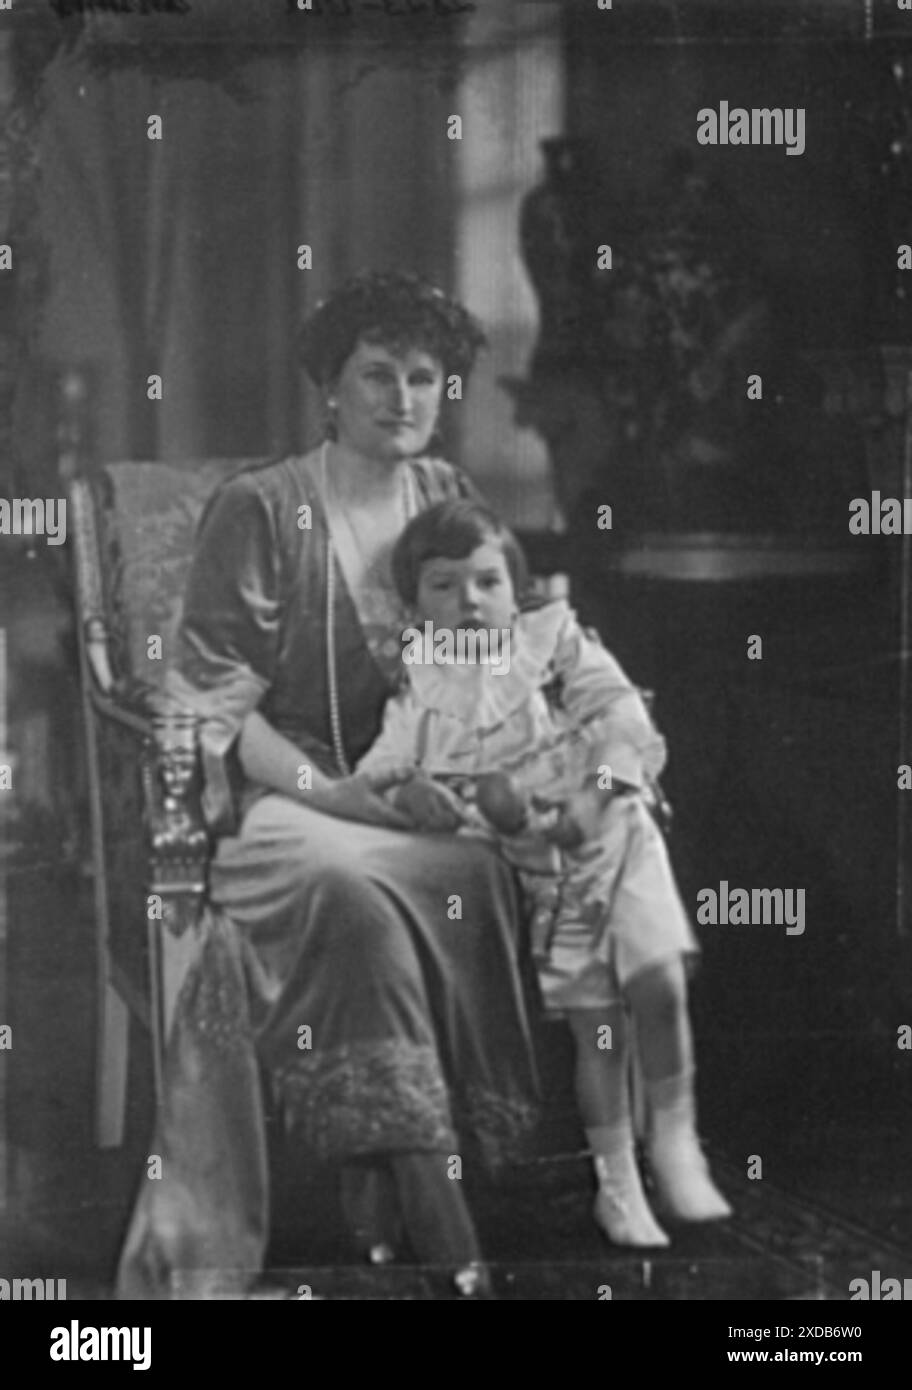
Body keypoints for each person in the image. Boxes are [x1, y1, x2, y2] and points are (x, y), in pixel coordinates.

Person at [116, 272, 540, 1300]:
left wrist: (458, 778)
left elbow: (485, 670)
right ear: (332, 390)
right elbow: (220, 708)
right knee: (355, 898)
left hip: (412, 797)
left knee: (475, 876)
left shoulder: (448, 502)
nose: (404, 398)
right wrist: (338, 797)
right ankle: (438, 1216)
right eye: (379, 375)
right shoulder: (261, 508)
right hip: (285, 802)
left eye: (426, 378)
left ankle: (386, 1187)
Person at [356, 498, 732, 1248]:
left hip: (611, 833)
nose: (469, 602)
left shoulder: (553, 645)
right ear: (415, 606)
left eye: (488, 582)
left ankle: (677, 1143)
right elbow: (377, 776)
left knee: (658, 984)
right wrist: (411, 792)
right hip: (542, 872)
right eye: (444, 586)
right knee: (599, 1030)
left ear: (515, 589)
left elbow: (625, 720)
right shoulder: (420, 692)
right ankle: (617, 1185)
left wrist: (595, 796)